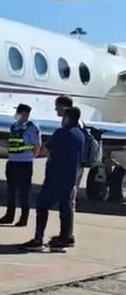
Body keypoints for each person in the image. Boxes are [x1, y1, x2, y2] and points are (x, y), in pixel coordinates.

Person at [22, 107, 84, 250]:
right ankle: (63, 240)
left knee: (42, 205)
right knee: (65, 209)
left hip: (55, 176)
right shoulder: (79, 135)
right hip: (70, 177)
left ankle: (38, 239)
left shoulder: (61, 133)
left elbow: (45, 149)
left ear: (67, 118)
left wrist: (33, 150)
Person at [0, 103, 41, 227]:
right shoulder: (14, 126)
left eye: (19, 113)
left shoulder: (32, 128)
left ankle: (23, 218)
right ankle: (9, 216)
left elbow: (37, 146)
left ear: (24, 114)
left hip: (24, 164)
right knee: (11, 191)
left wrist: (30, 157)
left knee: (24, 192)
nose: (16, 115)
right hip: (12, 162)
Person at [54, 95, 83, 247]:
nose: (55, 109)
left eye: (57, 107)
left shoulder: (74, 125)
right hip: (71, 167)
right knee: (68, 201)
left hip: (72, 168)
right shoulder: (71, 123)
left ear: (65, 108)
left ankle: (67, 236)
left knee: (69, 201)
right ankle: (66, 234)